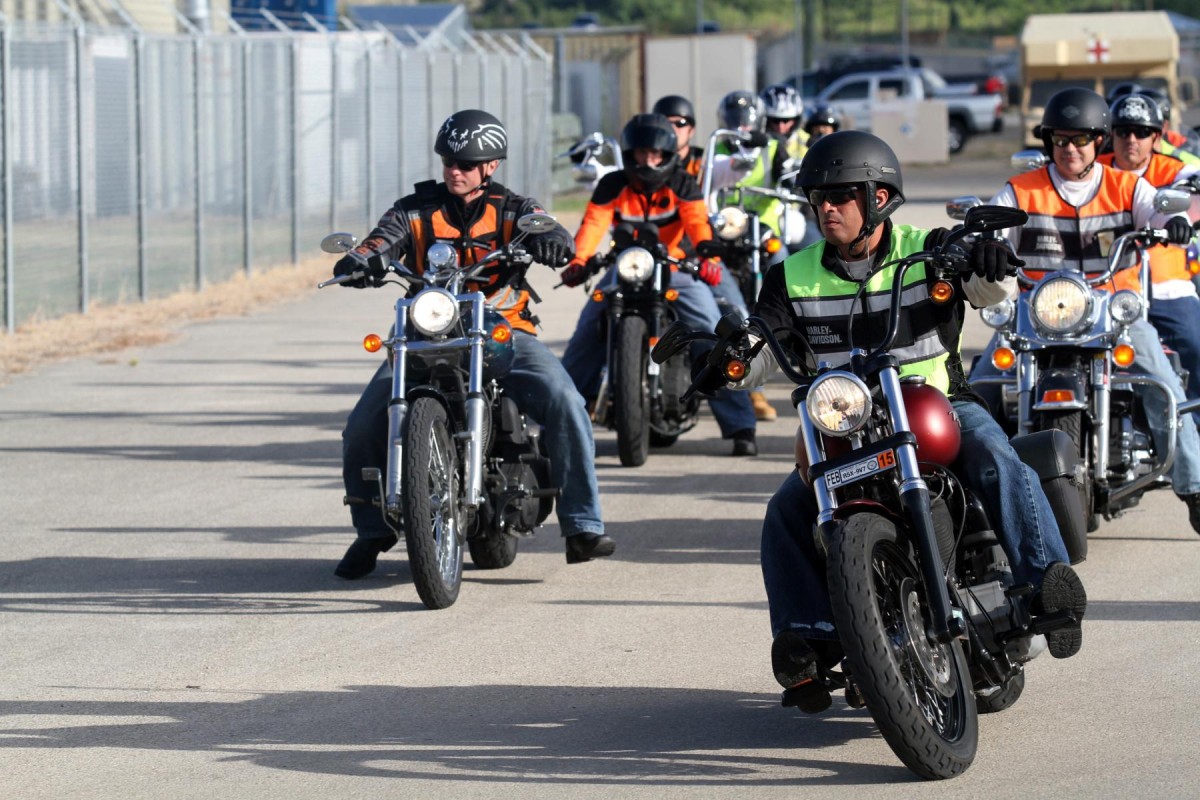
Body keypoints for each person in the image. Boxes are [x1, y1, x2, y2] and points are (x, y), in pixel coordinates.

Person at [722, 130, 1087, 712]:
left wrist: (989, 263)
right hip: (846, 423)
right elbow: (764, 349)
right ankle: (806, 638)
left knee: (997, 457)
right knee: (786, 511)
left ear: (880, 198)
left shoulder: (928, 247)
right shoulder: (790, 276)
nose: (828, 208)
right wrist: (735, 358)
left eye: (842, 195)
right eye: (819, 198)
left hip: (939, 403)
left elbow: (988, 289)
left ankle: (1047, 585)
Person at [330, 109, 615, 576]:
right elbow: (380, 239)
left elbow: (551, 229)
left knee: (566, 400)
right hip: (427, 333)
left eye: (465, 163)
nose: (454, 171)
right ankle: (371, 530)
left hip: (503, 330)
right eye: (449, 162)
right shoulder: (414, 210)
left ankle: (582, 525)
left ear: (491, 166)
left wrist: (554, 243)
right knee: (362, 422)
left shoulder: (514, 208)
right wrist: (361, 260)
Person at [969, 87, 1200, 535]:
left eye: (1080, 140)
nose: (1070, 149)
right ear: (1048, 142)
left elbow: (1155, 211)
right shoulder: (1023, 189)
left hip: (1114, 316)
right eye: (1060, 140)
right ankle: (971, 498)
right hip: (1034, 318)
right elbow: (992, 217)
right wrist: (987, 242)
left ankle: (1193, 486)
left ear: (1100, 141)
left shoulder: (1127, 186)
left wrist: (1171, 223)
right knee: (980, 389)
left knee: (1162, 385)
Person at [558, 112, 759, 456]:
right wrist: (578, 263)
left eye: (655, 155)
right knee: (587, 329)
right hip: (626, 265)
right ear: (630, 154)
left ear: (667, 156)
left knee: (714, 331)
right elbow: (593, 226)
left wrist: (709, 261)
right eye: (641, 154)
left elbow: (697, 223)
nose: (648, 161)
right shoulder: (612, 185)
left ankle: (741, 425)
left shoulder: (682, 183)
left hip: (674, 266)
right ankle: (558, 423)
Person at [1099, 93, 1200, 420]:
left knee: (1195, 344)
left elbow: (1190, 193)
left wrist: (1182, 219)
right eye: (1123, 131)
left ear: (1156, 137)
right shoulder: (1093, 171)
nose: (1131, 140)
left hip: (1166, 287)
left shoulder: (1174, 170)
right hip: (1103, 290)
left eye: (1141, 132)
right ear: (1110, 135)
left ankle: (1194, 428)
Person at [652, 94, 704, 178]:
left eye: (680, 123)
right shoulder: (648, 162)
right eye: (666, 123)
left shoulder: (705, 163)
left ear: (691, 130)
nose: (673, 128)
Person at [760, 83, 808, 164]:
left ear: (796, 120)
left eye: (786, 120)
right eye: (775, 120)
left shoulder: (807, 141)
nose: (780, 126)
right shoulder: (758, 142)